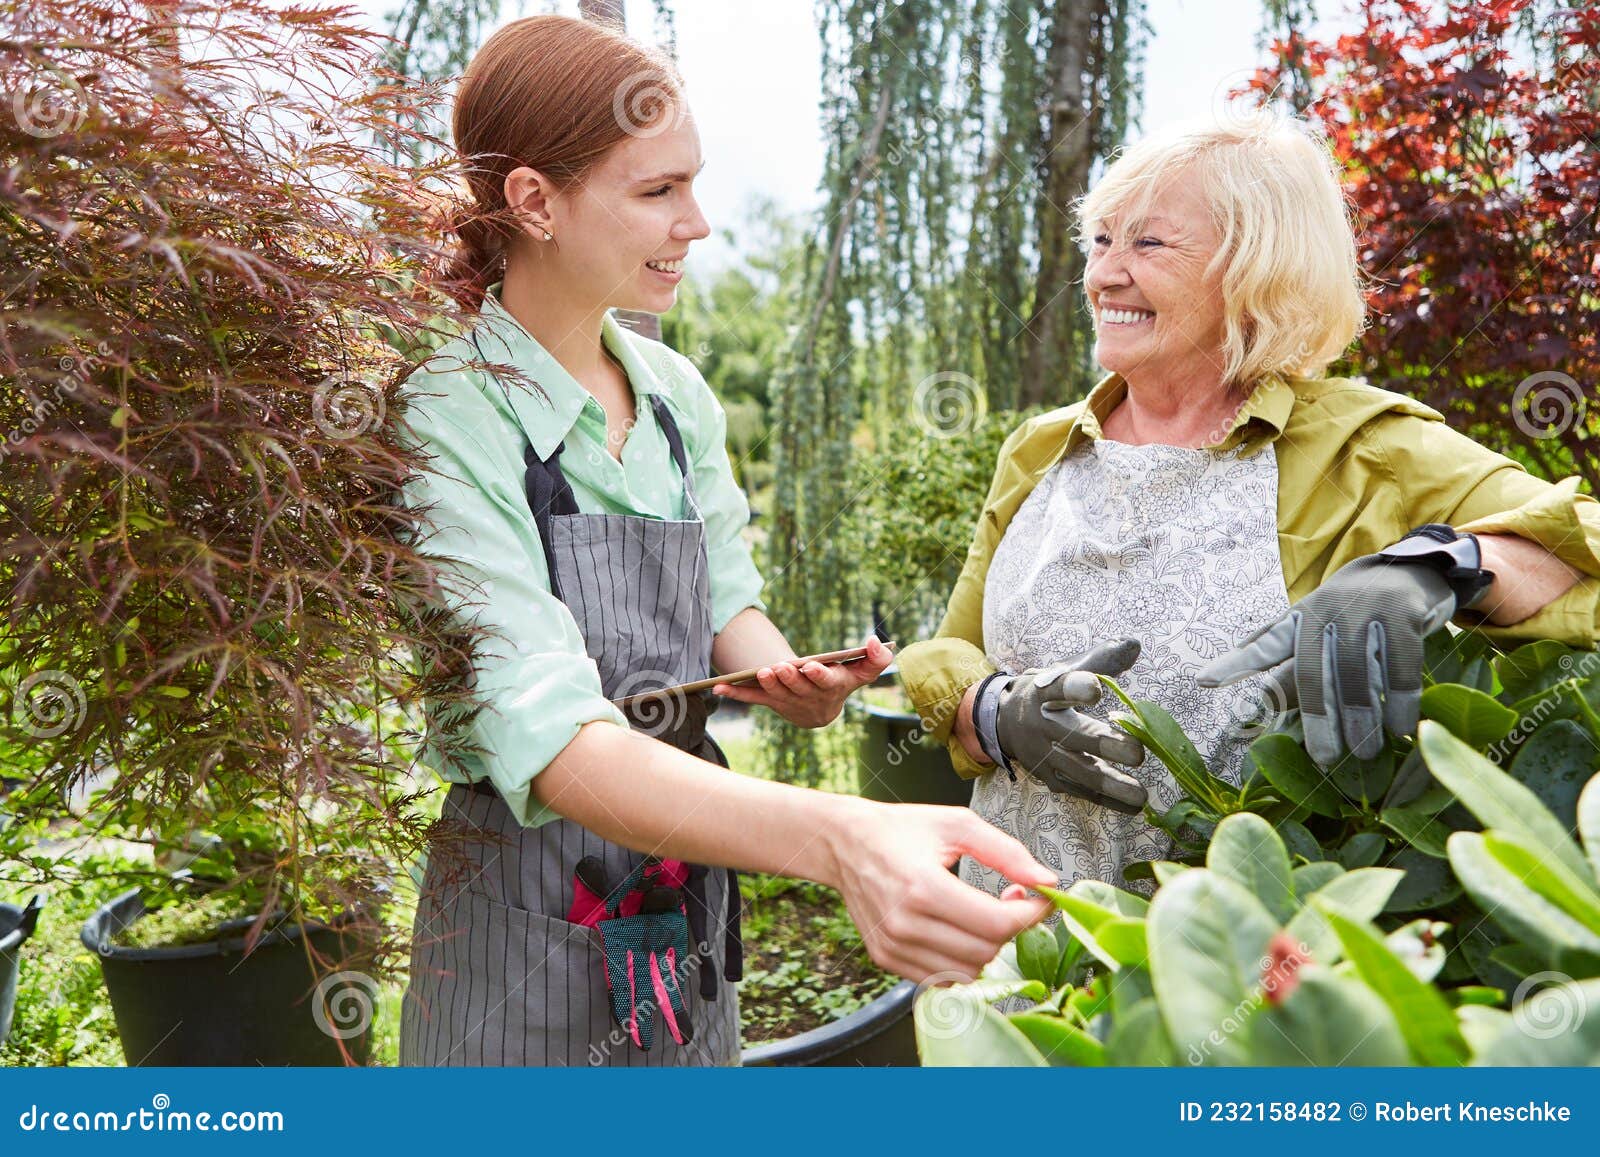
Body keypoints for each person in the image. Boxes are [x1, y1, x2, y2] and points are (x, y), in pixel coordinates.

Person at [395, 15, 1055, 1068]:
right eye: (657, 191)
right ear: (534, 201)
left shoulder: (673, 399)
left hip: (684, 888)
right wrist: (841, 836)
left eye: (692, 184)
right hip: (520, 910)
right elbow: (558, 745)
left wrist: (776, 669)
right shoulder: (446, 416)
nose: (695, 222)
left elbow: (724, 604)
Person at [898, 109, 1600, 897]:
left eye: (1148, 243)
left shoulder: (1366, 445)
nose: (1103, 274)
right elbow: (948, 654)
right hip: (1010, 943)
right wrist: (992, 711)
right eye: (1100, 240)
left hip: (1243, 960)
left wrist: (1444, 563)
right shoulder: (1042, 448)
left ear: (1258, 268)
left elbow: (1584, 547)